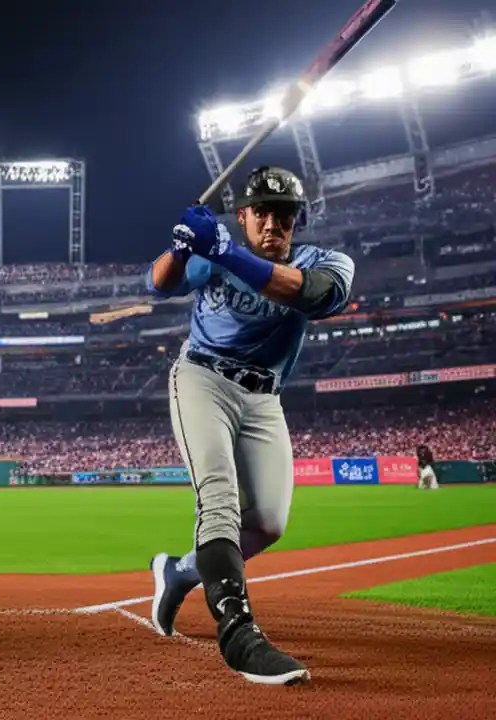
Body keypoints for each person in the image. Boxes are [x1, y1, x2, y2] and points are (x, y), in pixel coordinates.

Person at [144, 167, 355, 686]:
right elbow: (157, 283)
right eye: (260, 212)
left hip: (263, 396)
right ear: (242, 217)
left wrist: (224, 251)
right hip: (202, 377)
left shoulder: (325, 262)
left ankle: (178, 571)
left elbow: (312, 295)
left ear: (296, 223)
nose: (273, 223)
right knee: (218, 498)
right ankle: (238, 634)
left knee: (267, 523)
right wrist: (179, 246)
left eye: (284, 215)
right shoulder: (213, 255)